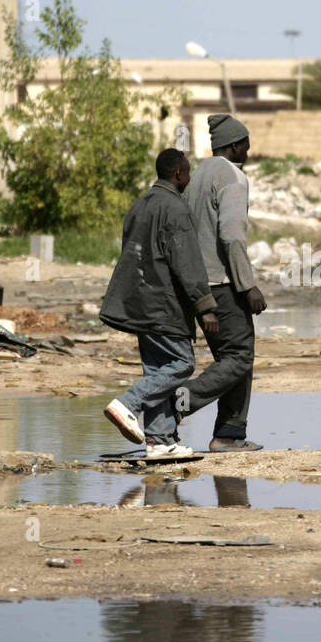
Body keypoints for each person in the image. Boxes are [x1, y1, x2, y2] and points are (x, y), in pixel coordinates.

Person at [101, 149, 220, 459]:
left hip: (139, 302)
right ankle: (127, 403)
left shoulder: (140, 204)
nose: (190, 178)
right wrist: (205, 306)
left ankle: (160, 440)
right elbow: (187, 262)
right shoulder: (175, 209)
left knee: (158, 368)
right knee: (182, 364)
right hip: (163, 305)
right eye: (188, 172)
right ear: (178, 174)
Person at [180, 114, 266, 452]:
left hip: (197, 285)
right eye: (245, 143)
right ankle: (180, 401)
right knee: (240, 356)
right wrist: (248, 286)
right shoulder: (233, 177)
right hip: (223, 284)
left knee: (233, 357)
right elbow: (231, 237)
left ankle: (229, 435)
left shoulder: (197, 174)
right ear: (234, 145)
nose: (249, 149)